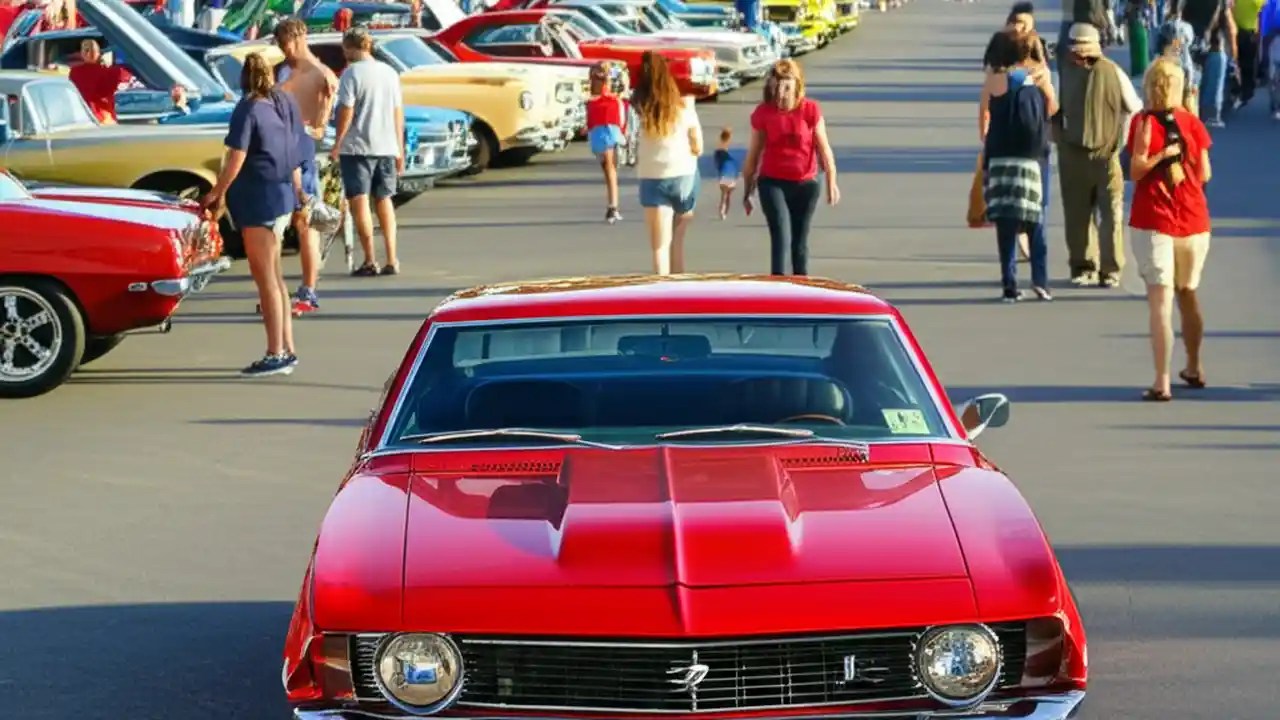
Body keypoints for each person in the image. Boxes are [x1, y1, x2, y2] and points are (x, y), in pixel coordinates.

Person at [201, 52, 308, 377]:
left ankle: (276, 352)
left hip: (258, 200)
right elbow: (295, 152)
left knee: (267, 281)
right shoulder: (281, 103)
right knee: (276, 277)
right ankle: (287, 347)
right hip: (281, 196)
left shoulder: (248, 108)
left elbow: (237, 157)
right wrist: (299, 192)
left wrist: (216, 192)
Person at [1126, 58, 1213, 401]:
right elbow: (1205, 173)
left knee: (1160, 302)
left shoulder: (1143, 121)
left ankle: (1162, 380)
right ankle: (1194, 365)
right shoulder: (1192, 122)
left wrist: (1160, 156)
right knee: (1188, 293)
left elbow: (1135, 170)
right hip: (1193, 220)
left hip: (1154, 219)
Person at [1055, 23, 1142, 288]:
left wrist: (1120, 142)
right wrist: (1058, 141)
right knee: (1077, 215)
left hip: (1106, 155)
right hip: (1072, 154)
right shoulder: (1063, 73)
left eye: (1085, 51)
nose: (1080, 56)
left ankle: (1111, 269)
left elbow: (1134, 108)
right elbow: (1054, 109)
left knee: (1112, 215)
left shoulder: (1113, 72)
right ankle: (1083, 266)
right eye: (1076, 51)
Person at [742, 59, 840, 277]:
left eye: (786, 87)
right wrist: (748, 190)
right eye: (776, 87)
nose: (781, 94)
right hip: (772, 183)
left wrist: (831, 180)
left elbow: (824, 149)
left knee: (799, 243)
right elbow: (753, 155)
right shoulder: (763, 113)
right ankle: (778, 289)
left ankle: (801, 290)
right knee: (781, 238)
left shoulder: (810, 110)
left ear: (797, 87)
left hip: (806, 184)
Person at [981, 30, 1056, 302]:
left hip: (1000, 158)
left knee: (1005, 224)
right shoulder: (1034, 78)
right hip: (1029, 159)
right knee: (1035, 221)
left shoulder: (994, 80)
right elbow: (1051, 109)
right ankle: (1040, 280)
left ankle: (1009, 285)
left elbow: (987, 116)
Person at [274, 18, 337, 316]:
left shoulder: (322, 75)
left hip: (301, 153)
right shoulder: (283, 70)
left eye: (285, 43)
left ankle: (308, 290)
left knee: (306, 221)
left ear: (299, 38)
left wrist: (302, 129)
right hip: (277, 152)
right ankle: (275, 291)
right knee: (274, 223)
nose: (282, 49)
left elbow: (321, 127)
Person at [331, 26, 405, 277]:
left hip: (358, 146)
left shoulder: (351, 74)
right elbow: (397, 112)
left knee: (360, 200)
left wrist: (338, 142)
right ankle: (392, 258)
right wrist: (399, 148)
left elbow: (346, 110)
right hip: (387, 145)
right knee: (384, 200)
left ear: (350, 47)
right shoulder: (390, 73)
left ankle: (370, 259)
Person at [632, 51, 702, 275]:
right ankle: (680, 283)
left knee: (659, 247)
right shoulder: (683, 106)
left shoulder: (638, 108)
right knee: (677, 241)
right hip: (683, 175)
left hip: (652, 177)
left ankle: (661, 288)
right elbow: (698, 146)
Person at [584, 61, 627, 224]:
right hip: (600, 125)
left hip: (609, 124)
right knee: (608, 168)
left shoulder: (612, 77)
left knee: (609, 167)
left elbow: (621, 88)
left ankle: (613, 207)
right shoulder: (594, 90)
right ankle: (612, 206)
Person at [1182, 0, 1237, 126]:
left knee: (1191, 84)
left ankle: (1190, 113)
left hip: (1190, 46)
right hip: (1214, 47)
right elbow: (1230, 29)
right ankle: (1211, 116)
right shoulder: (1220, 2)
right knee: (1213, 85)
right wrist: (1234, 55)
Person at [67, 39, 133, 124]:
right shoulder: (106, 72)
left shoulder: (74, 72)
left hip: (84, 118)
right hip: (102, 118)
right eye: (86, 50)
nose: (89, 53)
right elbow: (125, 74)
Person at [1233, 0, 1266, 107]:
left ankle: (1242, 90)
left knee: (1241, 63)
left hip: (1239, 31)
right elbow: (1263, 9)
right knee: (1247, 63)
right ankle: (1246, 91)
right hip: (1247, 33)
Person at [714, 127, 741, 220]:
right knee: (728, 196)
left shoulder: (720, 153)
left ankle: (722, 211)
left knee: (724, 195)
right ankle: (724, 212)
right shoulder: (727, 156)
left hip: (725, 175)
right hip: (731, 176)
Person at [1262, 0, 1280, 118]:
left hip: (1271, 35)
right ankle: (1275, 104)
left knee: (1273, 72)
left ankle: (1275, 104)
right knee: (1273, 73)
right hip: (1272, 35)